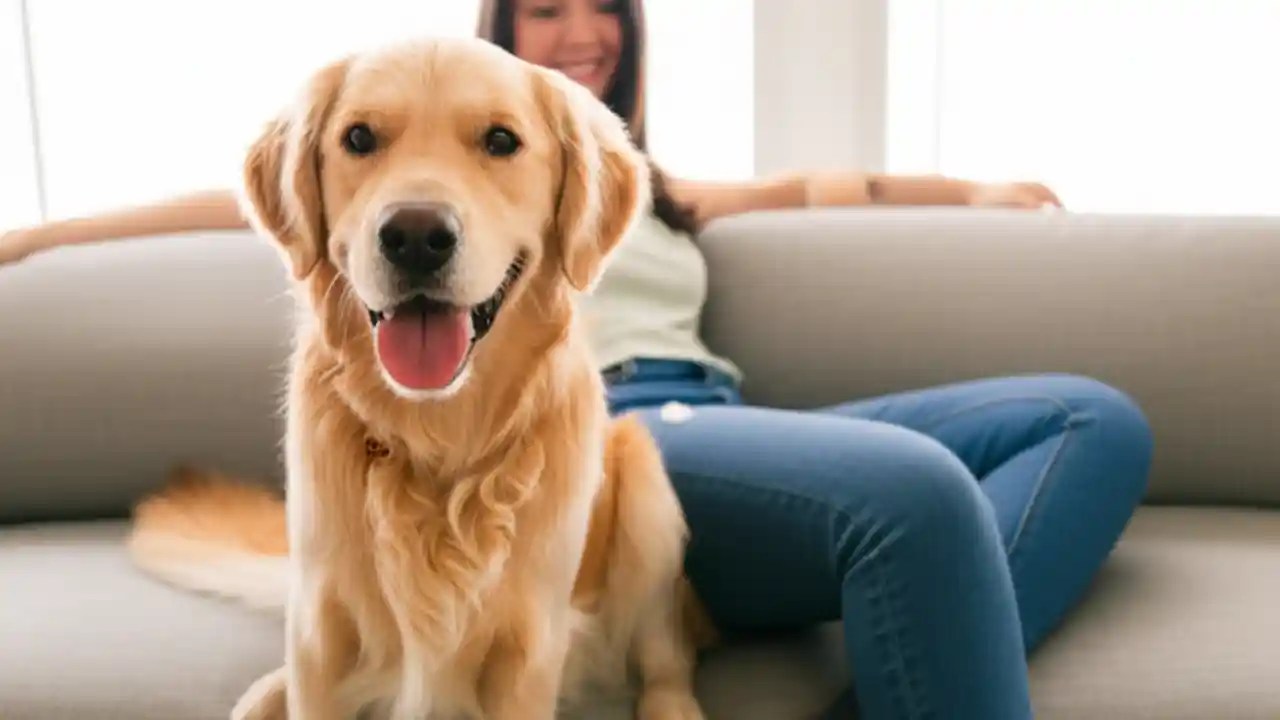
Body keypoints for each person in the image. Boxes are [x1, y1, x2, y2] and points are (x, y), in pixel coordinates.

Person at [0, 2, 1153, 718]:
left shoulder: (639, 180)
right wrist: (35, 236)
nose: (582, 28)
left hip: (735, 432)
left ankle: (907, 648)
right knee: (917, 499)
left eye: (602, 5)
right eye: (545, 8)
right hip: (617, 441)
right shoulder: (408, 152)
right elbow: (234, 198)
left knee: (1093, 420)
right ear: (497, 32)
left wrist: (972, 191)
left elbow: (819, 188)